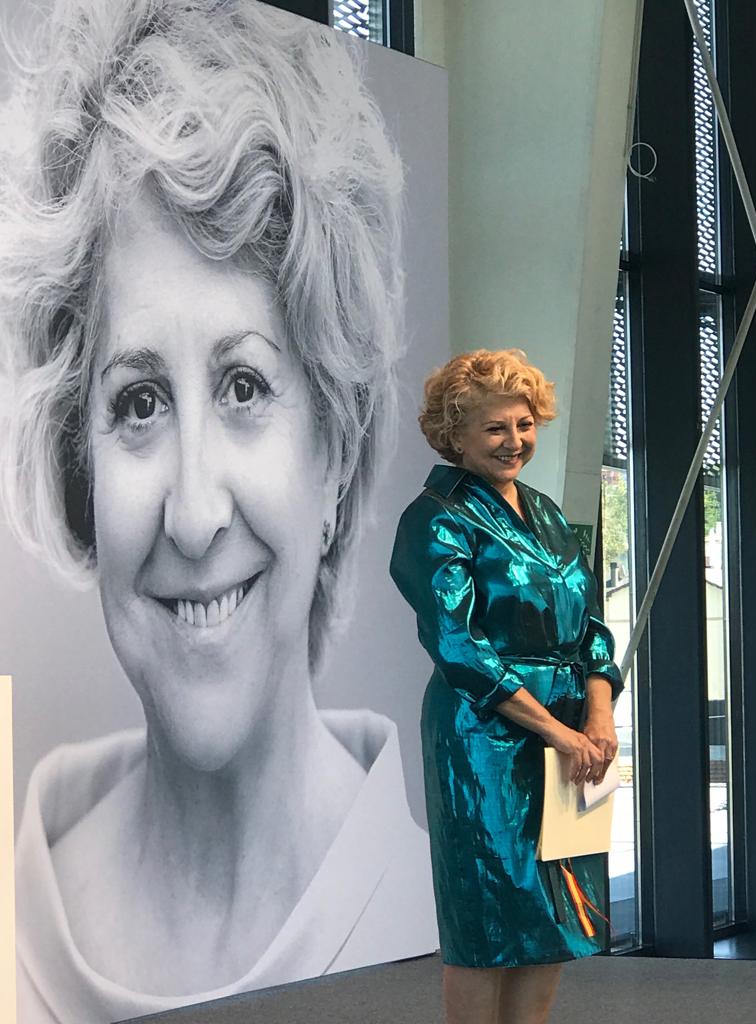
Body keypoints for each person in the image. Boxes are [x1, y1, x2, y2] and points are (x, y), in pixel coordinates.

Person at [0, 2, 437, 1021]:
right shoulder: (13, 915)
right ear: (80, 468)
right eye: (138, 403)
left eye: (244, 386)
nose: (193, 515)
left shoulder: (434, 911)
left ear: (333, 448)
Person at [390, 348, 624, 1024]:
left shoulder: (549, 516)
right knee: (489, 918)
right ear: (454, 433)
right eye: (495, 428)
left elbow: (591, 634)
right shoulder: (435, 517)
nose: (514, 441)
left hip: (579, 733)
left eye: (523, 424)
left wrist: (599, 723)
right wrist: (559, 734)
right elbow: (460, 648)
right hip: (484, 736)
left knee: (559, 912)